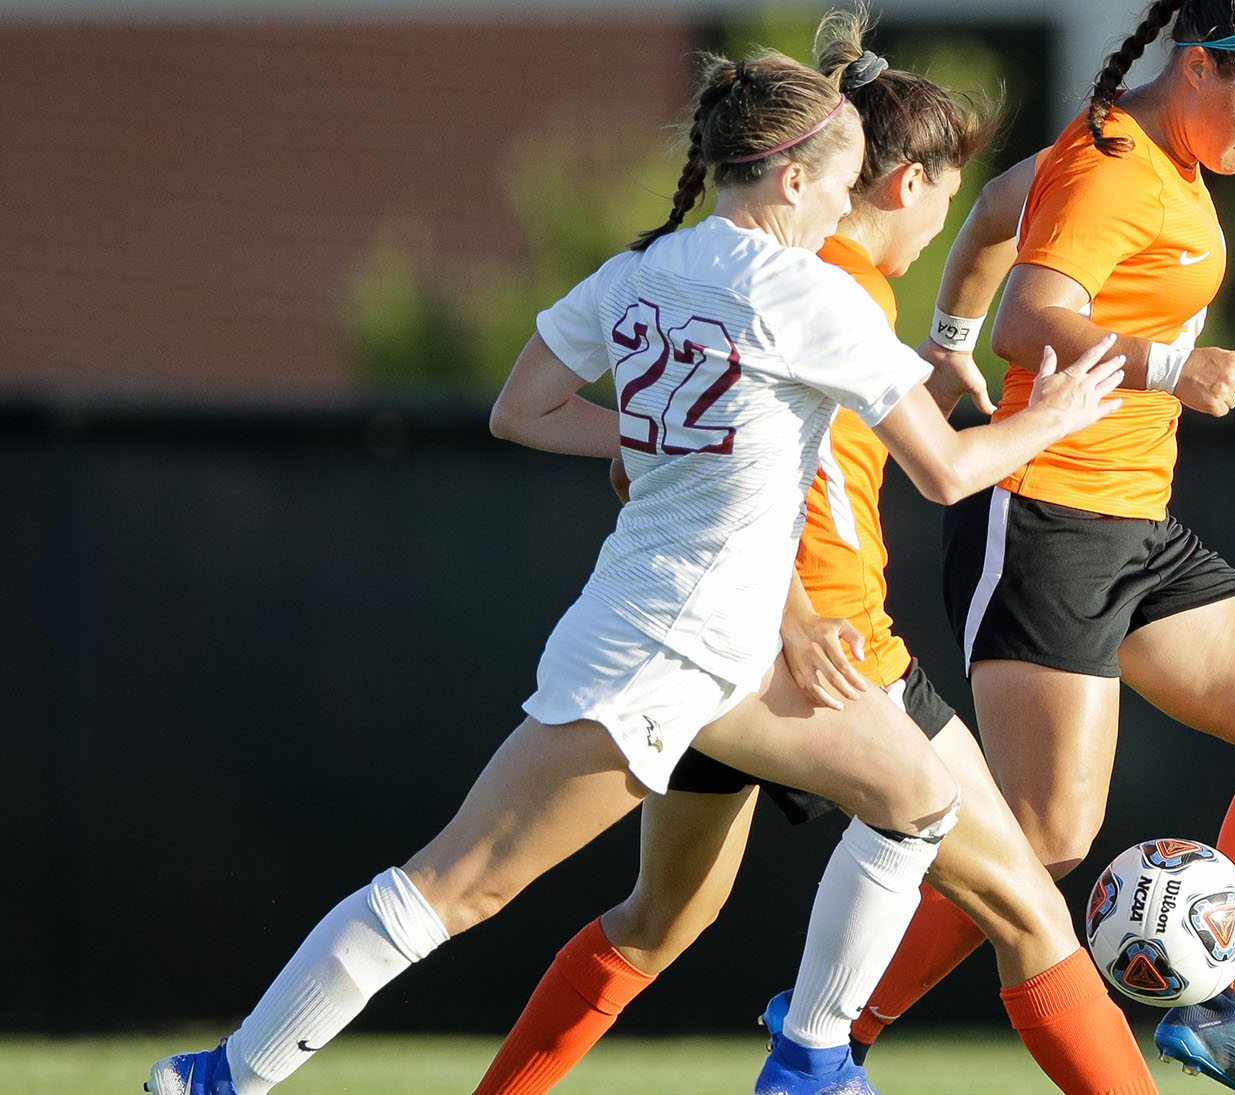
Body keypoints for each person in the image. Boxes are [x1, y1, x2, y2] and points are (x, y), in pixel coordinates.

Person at [145, 45, 1127, 1095]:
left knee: (916, 799)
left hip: (711, 638)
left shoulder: (641, 268)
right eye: (842, 186)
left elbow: (518, 410)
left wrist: (641, 437)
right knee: (456, 884)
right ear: (793, 179)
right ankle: (225, 1079)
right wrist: (1051, 417)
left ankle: (810, 1059)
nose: (848, 209)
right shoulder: (803, 294)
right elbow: (944, 472)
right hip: (670, 648)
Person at [467, 14, 1159, 1095]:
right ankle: (812, 1052)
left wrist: (938, 357)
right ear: (900, 183)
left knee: (658, 921)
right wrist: (796, 616)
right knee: (1026, 904)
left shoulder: (791, 273)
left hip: (718, 655)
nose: (943, 221)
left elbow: (659, 467)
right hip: (831, 655)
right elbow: (784, 478)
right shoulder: (831, 296)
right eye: (942, 192)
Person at [855, 5, 1235, 1095]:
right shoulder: (1113, 168)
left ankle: (1222, 1011)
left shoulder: (1134, 152)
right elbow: (1031, 319)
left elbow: (999, 209)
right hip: (1042, 517)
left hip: (1137, 522)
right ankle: (832, 1029)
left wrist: (942, 342)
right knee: (1040, 840)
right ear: (1196, 69)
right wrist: (1167, 368)